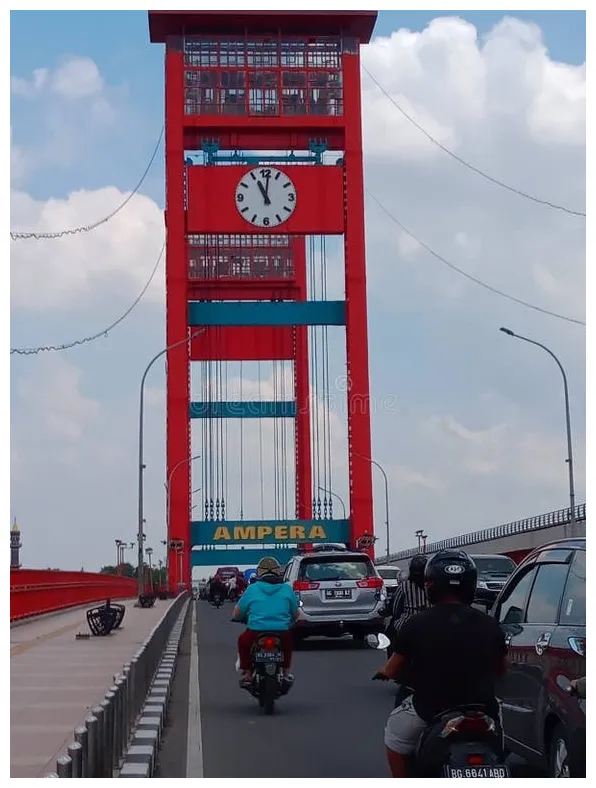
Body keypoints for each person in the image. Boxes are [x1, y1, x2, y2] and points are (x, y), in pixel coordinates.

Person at [375, 549, 507, 778]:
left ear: (430, 585)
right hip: (484, 708)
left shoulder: (416, 624)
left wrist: (384, 671)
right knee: (501, 736)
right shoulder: (489, 623)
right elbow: (502, 670)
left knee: (395, 739)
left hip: (429, 708)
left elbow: (394, 669)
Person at [233, 556, 300, 688]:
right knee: (287, 646)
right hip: (281, 631)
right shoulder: (287, 589)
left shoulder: (252, 589)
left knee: (243, 641)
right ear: (278, 571)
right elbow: (296, 613)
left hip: (256, 631)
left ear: (259, 572)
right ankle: (286, 673)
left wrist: (239, 617)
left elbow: (237, 612)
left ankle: (248, 674)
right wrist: (290, 621)